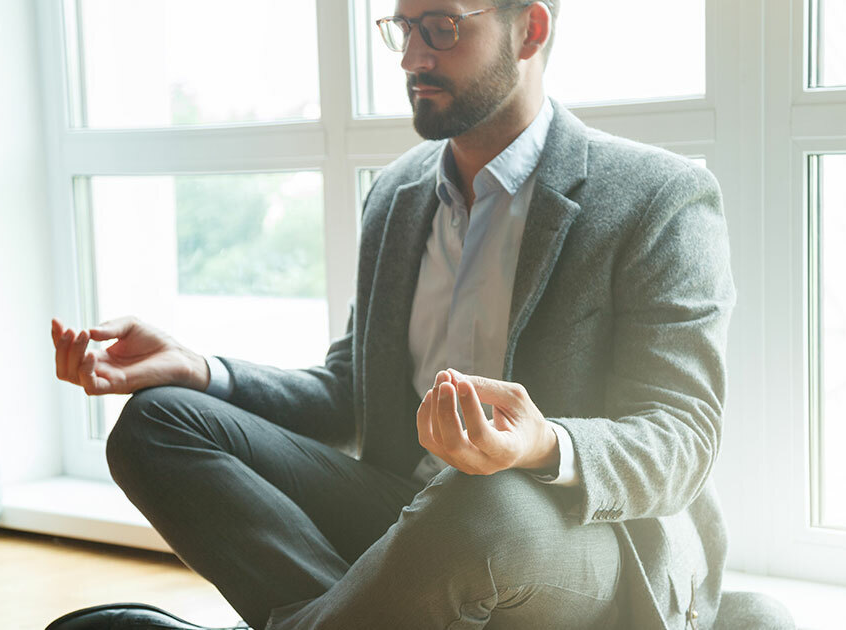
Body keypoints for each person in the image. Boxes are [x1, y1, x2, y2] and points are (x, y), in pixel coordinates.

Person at [46, 0, 735, 628]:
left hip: (577, 541)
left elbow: (684, 438)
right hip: (406, 520)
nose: (411, 58)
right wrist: (199, 371)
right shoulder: (397, 194)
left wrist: (541, 443)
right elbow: (349, 393)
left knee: (484, 497)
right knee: (156, 423)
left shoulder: (657, 197)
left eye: (441, 28)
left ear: (529, 29)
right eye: (402, 28)